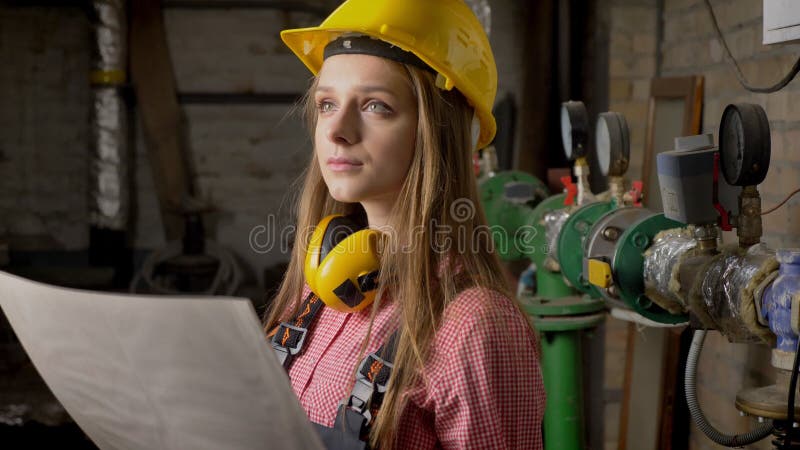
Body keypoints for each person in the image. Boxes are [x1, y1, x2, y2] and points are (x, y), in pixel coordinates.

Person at [263, 1, 545, 448]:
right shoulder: (314, 293)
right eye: (327, 104)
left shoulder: (474, 326)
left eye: (376, 105)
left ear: (439, 130)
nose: (337, 130)